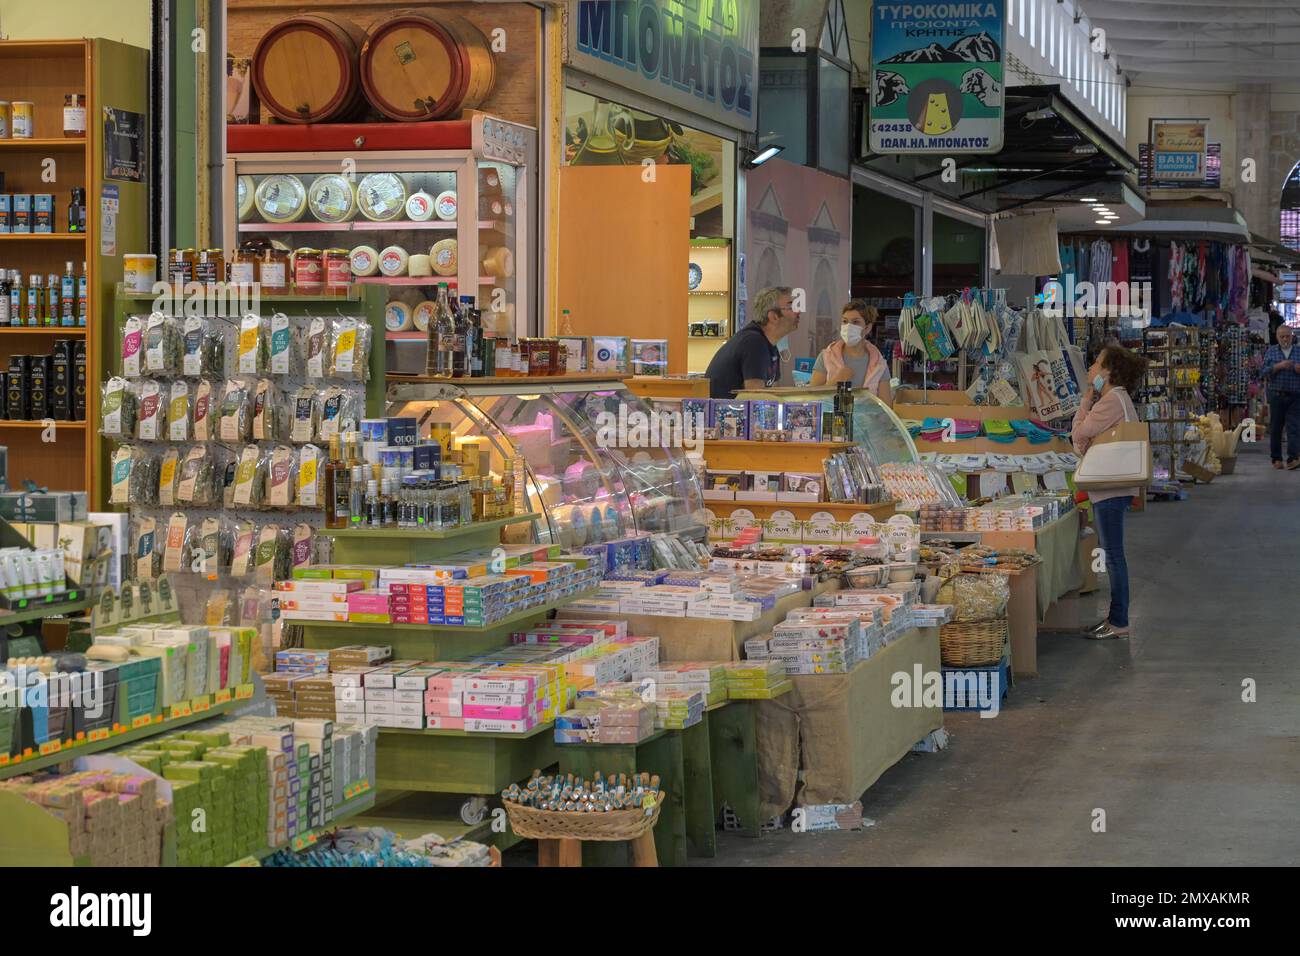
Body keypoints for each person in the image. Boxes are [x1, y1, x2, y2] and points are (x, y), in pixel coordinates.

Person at [1071, 343, 1148, 641]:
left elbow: (1078, 434)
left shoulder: (1111, 400)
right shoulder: (1120, 399)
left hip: (1109, 488)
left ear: (1108, 372)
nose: (1091, 368)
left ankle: (1119, 621)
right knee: (1113, 553)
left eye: (1096, 363)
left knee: (1114, 555)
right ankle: (1115, 618)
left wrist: (1085, 400)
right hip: (1116, 486)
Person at [705, 286, 801, 398]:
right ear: (774, 317)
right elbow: (755, 398)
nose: (798, 311)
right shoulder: (753, 342)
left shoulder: (771, 344)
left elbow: (773, 392)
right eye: (791, 307)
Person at [809, 300, 893, 404]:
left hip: (868, 420)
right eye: (845, 321)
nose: (848, 327)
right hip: (833, 419)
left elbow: (886, 408)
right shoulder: (826, 357)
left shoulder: (879, 365)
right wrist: (836, 381)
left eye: (855, 322)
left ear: (867, 328)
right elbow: (811, 398)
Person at [1261, 323, 1300, 469]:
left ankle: (1293, 458)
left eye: (1287, 336)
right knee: (1276, 428)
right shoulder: (1271, 352)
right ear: (1277, 337)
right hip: (1276, 395)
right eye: (1282, 336)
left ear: (1292, 337)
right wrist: (1278, 366)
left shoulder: (1298, 351)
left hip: (1295, 396)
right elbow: (1263, 372)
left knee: (1294, 428)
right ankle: (1276, 459)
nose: (1285, 339)